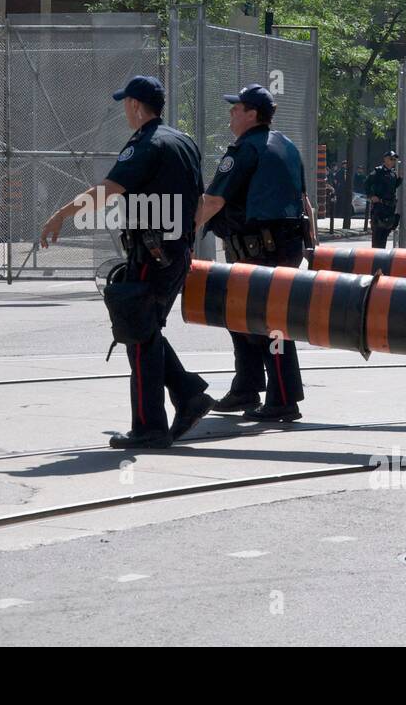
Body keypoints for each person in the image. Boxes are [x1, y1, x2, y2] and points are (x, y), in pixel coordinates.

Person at [40, 75, 213, 449]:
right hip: (175, 251)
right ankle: (189, 395)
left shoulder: (145, 144)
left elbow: (108, 190)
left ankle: (150, 427)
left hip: (152, 253)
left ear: (135, 105)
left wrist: (62, 213)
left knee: (138, 337)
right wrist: (185, 245)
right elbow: (200, 202)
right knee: (146, 330)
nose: (124, 111)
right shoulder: (184, 141)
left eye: (125, 104)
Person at [194, 84, 314, 422]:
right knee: (241, 317)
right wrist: (313, 247)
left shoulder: (244, 150)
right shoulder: (287, 146)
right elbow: (305, 201)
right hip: (282, 248)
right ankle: (247, 387)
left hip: (258, 252)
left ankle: (283, 398)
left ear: (253, 114)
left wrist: (180, 236)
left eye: (237, 108)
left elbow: (214, 201)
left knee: (270, 323)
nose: (231, 113)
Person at [365, 151, 402, 248]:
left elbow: (392, 188)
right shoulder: (378, 171)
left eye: (394, 159)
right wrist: (371, 196)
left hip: (389, 209)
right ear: (385, 159)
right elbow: (366, 183)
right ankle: (375, 261)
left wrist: (400, 179)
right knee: (377, 238)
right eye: (391, 159)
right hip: (379, 208)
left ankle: (381, 260)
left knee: (384, 236)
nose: (393, 161)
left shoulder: (393, 173)